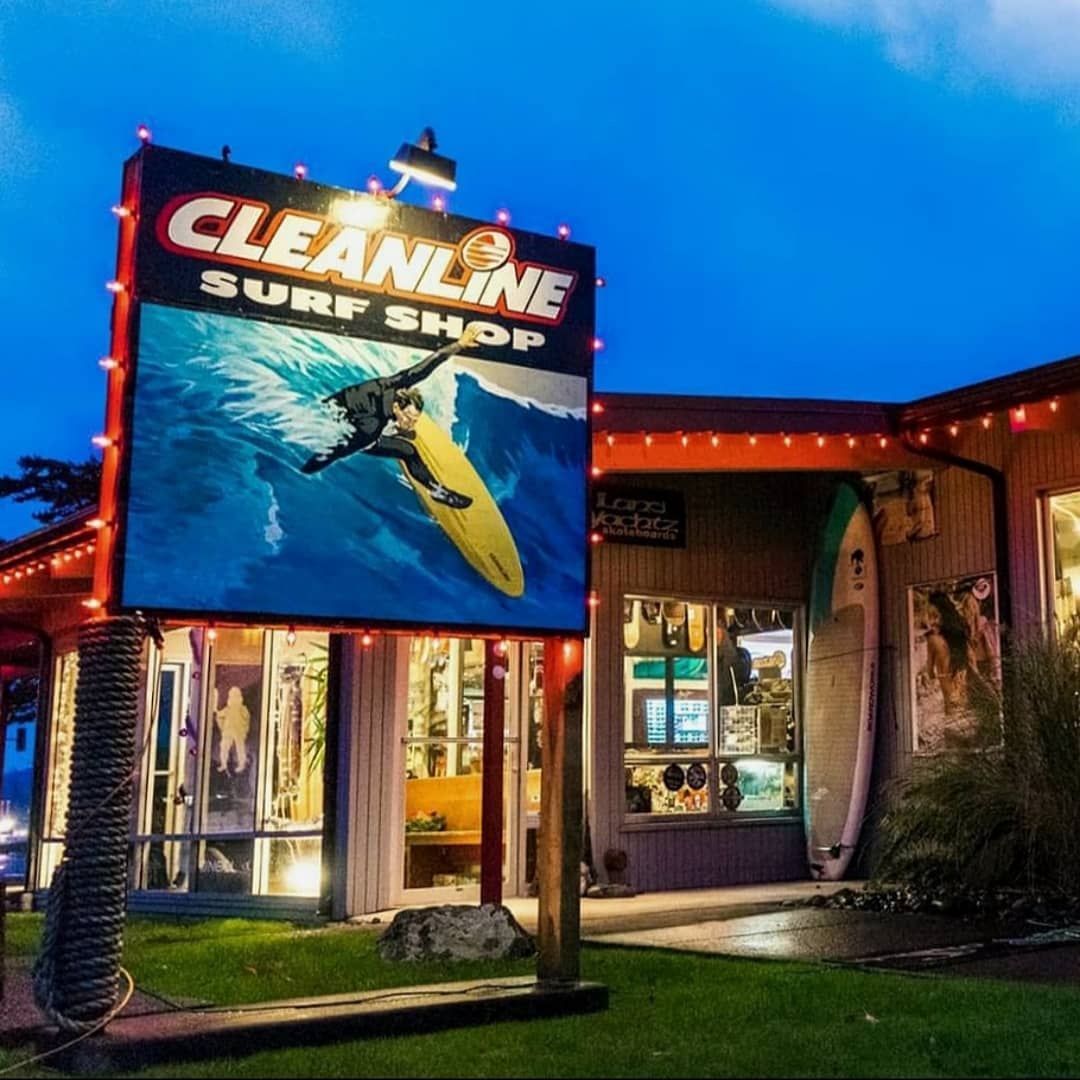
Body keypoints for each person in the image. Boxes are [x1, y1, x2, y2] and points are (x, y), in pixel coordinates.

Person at [301, 326, 482, 509]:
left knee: (405, 435)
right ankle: (437, 492)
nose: (412, 423)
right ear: (396, 407)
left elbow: (428, 365)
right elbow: (334, 452)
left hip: (345, 407)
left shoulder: (395, 384)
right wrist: (304, 472)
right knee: (407, 450)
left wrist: (459, 344)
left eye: (415, 419)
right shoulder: (371, 426)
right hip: (338, 423)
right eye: (409, 418)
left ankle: (396, 433)